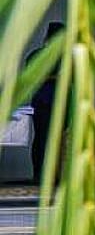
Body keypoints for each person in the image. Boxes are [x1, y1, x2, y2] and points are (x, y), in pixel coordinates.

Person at [28, 21, 64, 183]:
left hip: (52, 102)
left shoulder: (61, 57)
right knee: (44, 139)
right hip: (46, 102)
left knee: (48, 139)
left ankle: (46, 175)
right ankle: (42, 176)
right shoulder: (40, 56)